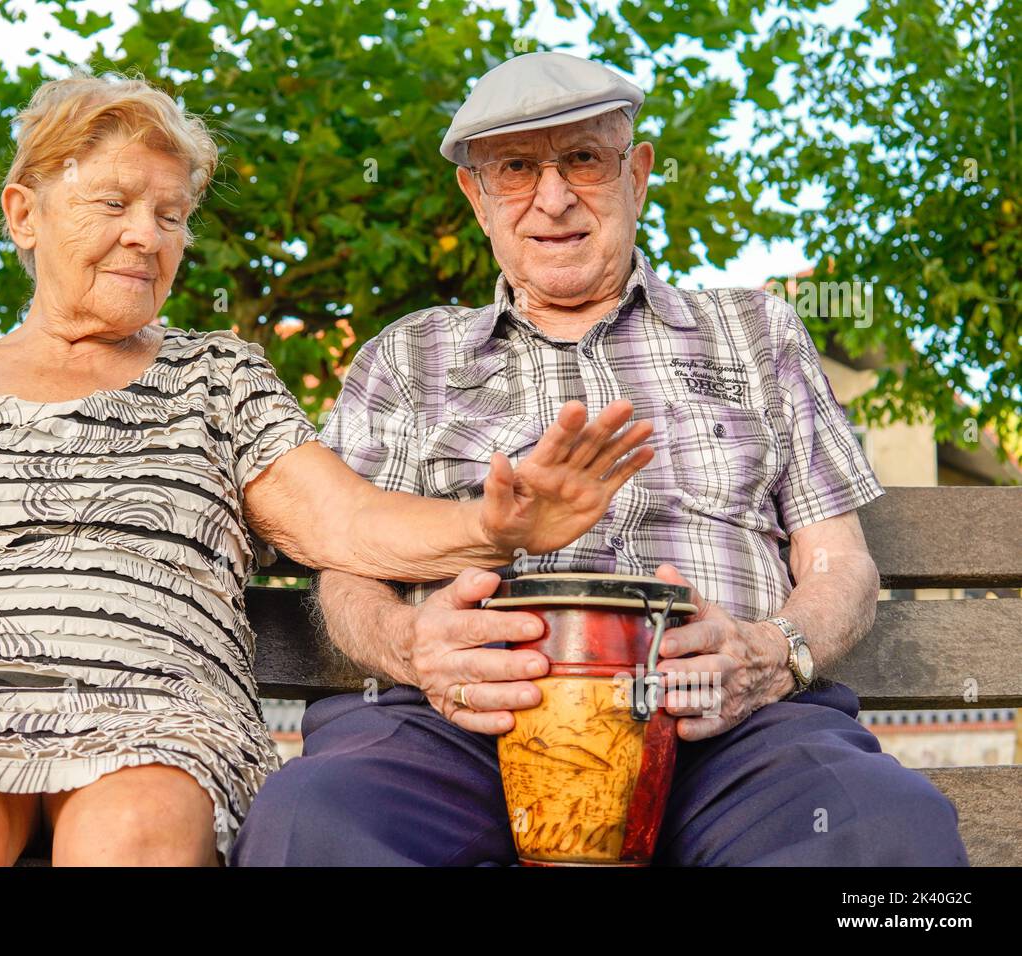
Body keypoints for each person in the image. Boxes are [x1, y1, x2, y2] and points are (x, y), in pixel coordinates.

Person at [0, 71, 653, 867]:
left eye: (171, 215)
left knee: (137, 823)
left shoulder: (219, 377)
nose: (147, 236)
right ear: (25, 211)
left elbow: (346, 522)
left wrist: (492, 530)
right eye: (114, 204)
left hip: (157, 718)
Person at [231, 52, 969, 866]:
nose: (553, 199)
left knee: (886, 831)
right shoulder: (408, 358)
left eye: (583, 158)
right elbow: (346, 574)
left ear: (638, 173)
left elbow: (842, 564)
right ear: (476, 198)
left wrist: (773, 652)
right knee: (314, 822)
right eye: (515, 169)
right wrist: (412, 646)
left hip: (727, 728)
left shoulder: (759, 333)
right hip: (458, 729)